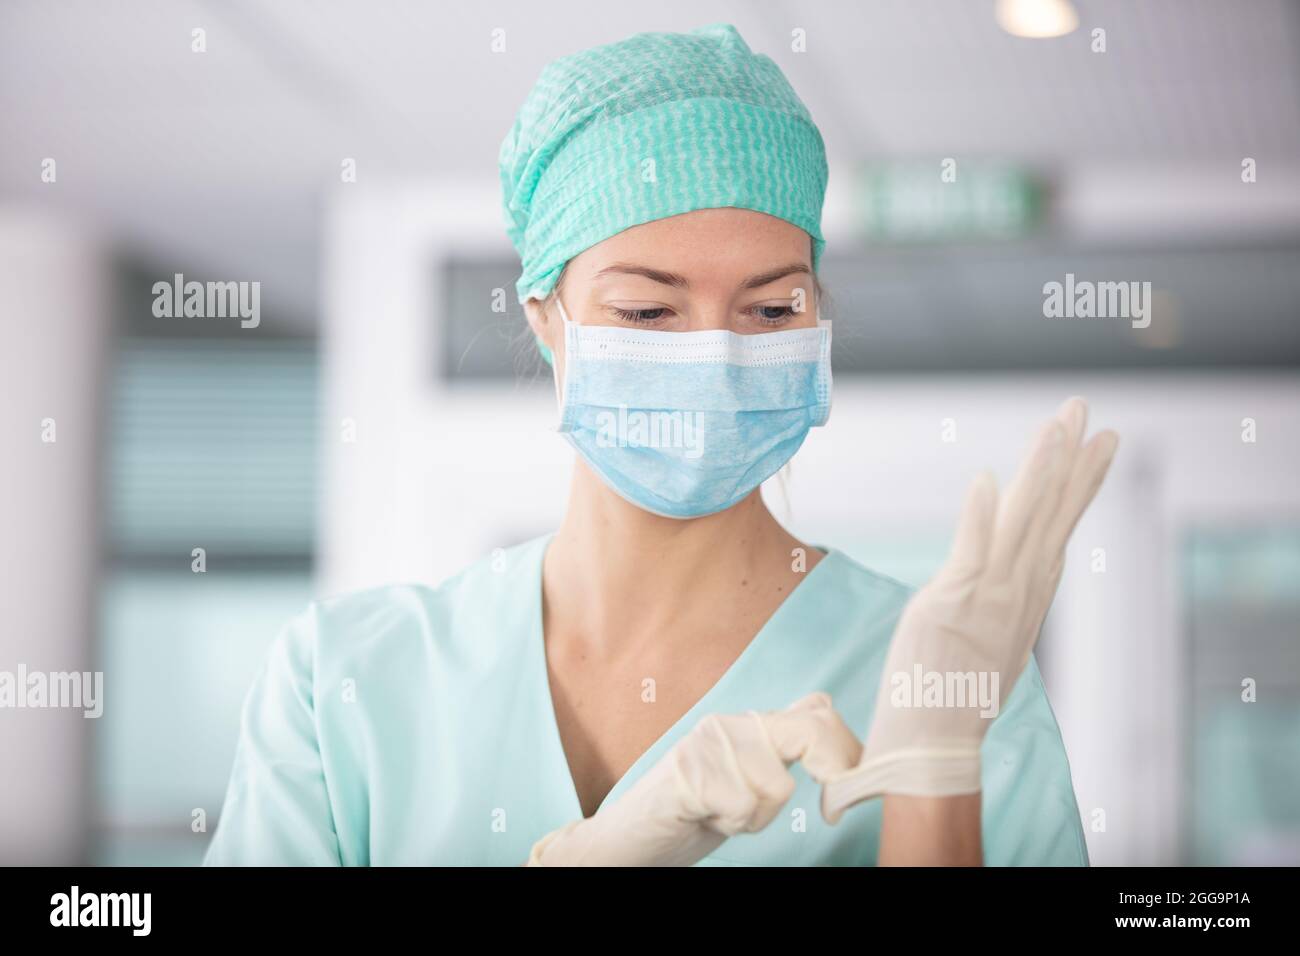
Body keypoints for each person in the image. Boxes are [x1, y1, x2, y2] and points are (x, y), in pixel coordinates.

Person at [203, 23, 1116, 867]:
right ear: (546, 322)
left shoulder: (953, 680)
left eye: (770, 310)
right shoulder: (347, 687)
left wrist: (932, 779)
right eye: (646, 311)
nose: (715, 359)